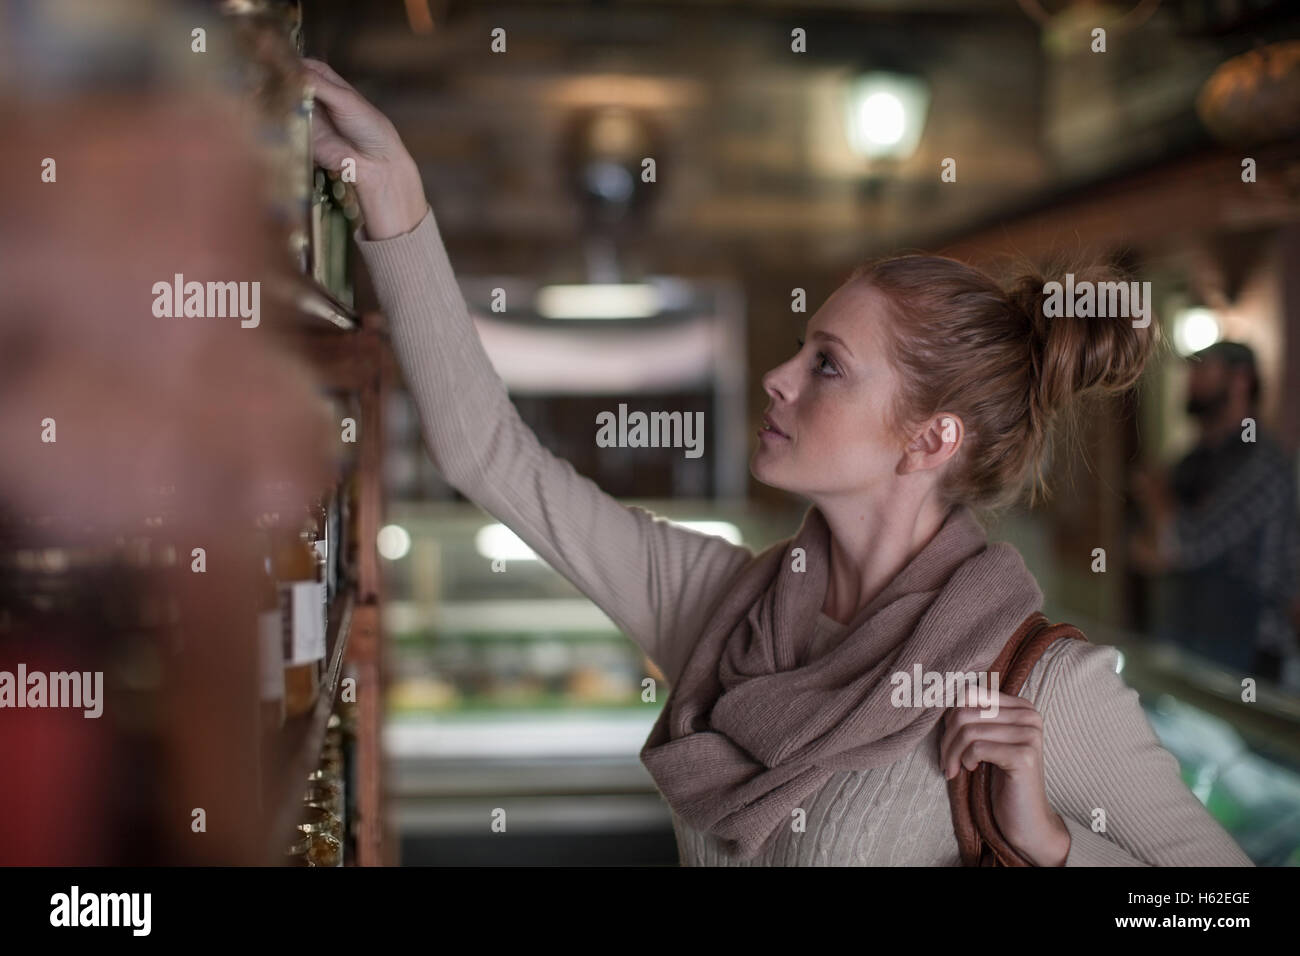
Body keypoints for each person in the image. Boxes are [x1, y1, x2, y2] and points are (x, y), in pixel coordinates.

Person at [302, 57, 1253, 866]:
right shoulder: (721, 608)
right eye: (803, 348)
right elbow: (488, 456)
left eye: (826, 366)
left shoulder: (1040, 687)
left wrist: (1048, 847)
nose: (777, 377)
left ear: (930, 439)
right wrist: (393, 193)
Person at [1131, 341, 1300, 686]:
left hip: (1249, 659)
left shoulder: (1262, 465)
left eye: (1203, 370)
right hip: (1185, 644)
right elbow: (1141, 550)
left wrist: (1159, 500)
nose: (1190, 380)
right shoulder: (1193, 461)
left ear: (1240, 381)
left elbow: (1181, 546)